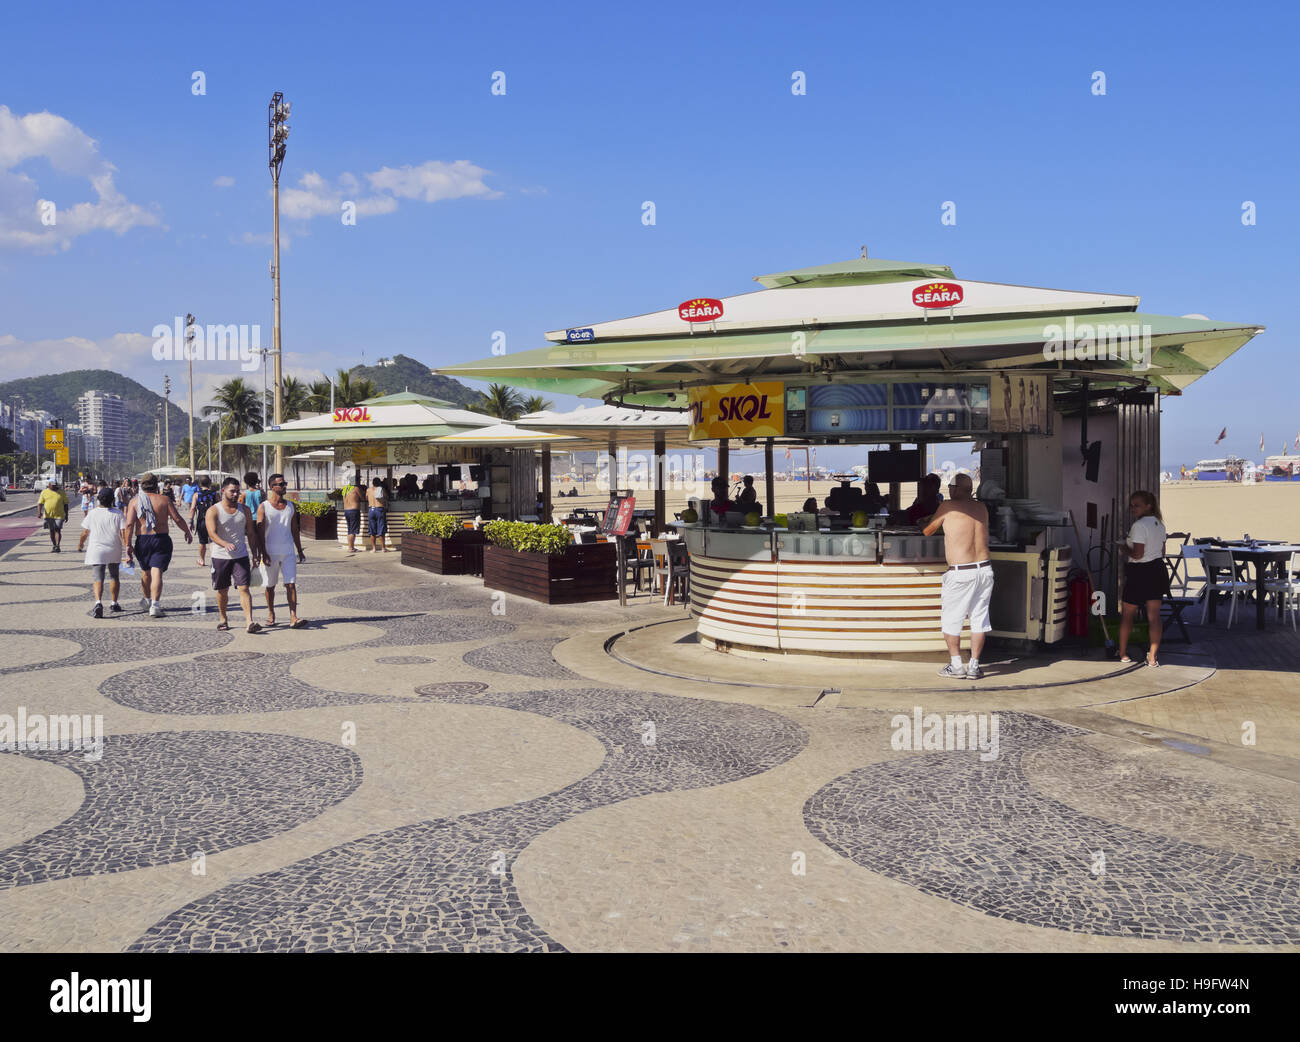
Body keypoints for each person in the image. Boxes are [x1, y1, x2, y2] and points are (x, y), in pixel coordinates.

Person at [923, 473, 993, 679]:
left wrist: (924, 522)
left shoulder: (948, 506)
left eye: (951, 487)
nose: (949, 490)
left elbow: (928, 531)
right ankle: (974, 666)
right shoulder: (982, 508)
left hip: (961, 573)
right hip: (985, 570)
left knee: (951, 620)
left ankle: (956, 666)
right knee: (979, 620)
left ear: (955, 488)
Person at [123, 471, 193, 618]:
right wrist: (187, 531)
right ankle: (155, 606)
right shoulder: (164, 500)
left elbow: (129, 525)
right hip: (160, 539)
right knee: (157, 572)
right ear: (156, 485)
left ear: (142, 486)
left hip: (142, 539)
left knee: (145, 572)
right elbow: (177, 519)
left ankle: (147, 599)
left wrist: (127, 545)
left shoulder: (134, 502)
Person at [1117, 489, 1168, 667]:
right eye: (1131, 506)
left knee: (1127, 615)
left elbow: (1138, 555)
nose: (1133, 509)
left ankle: (1122, 653)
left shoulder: (1139, 526)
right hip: (1157, 570)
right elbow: (1162, 552)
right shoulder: (1160, 525)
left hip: (1139, 572)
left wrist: (1124, 548)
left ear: (1148, 506)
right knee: (1154, 616)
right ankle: (1152, 657)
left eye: (1137, 505)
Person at [206, 476, 262, 633]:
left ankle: (249, 622)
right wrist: (224, 544)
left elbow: (251, 534)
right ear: (223, 491)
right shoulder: (214, 510)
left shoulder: (244, 510)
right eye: (232, 491)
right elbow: (211, 533)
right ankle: (223, 618)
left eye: (238, 491)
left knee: (244, 588)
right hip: (220, 556)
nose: (236, 494)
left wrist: (255, 554)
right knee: (223, 591)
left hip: (241, 556)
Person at [256, 473, 307, 628]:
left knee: (290, 584)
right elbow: (259, 532)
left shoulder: (291, 506)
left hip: (288, 552)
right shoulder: (263, 507)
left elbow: (294, 529)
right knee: (270, 586)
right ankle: (271, 614)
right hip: (270, 552)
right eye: (281, 484)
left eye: (285, 483)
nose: (285, 486)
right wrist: (262, 553)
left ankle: (293, 617)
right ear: (272, 487)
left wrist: (299, 550)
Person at [77, 487, 126, 618]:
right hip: (113, 548)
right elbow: (123, 533)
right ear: (112, 499)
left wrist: (80, 544)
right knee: (114, 576)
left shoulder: (92, 513)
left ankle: (98, 602)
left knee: (98, 578)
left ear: (99, 499)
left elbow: (85, 532)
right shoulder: (118, 513)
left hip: (96, 550)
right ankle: (114, 602)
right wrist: (128, 548)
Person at [189, 476, 219, 566]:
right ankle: (214, 560)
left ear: (199, 484)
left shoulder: (196, 495)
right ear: (210, 483)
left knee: (202, 541)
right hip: (213, 520)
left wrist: (190, 522)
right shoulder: (215, 494)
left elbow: (193, 508)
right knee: (212, 541)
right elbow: (220, 506)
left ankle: (202, 560)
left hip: (201, 520)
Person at [37, 480, 69, 552]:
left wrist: (66, 515)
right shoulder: (44, 492)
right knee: (51, 531)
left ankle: (57, 546)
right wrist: (39, 512)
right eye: (52, 485)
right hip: (48, 515)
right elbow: (40, 503)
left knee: (57, 530)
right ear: (49, 485)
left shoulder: (61, 492)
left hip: (59, 515)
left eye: (55, 485)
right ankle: (54, 545)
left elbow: (66, 504)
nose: (54, 486)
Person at [343, 474, 365, 553]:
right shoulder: (356, 489)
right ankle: (351, 548)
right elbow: (362, 498)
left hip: (346, 510)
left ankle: (350, 547)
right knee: (352, 530)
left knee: (349, 529)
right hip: (354, 510)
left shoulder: (345, 489)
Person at [366, 477, 389, 551]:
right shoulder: (381, 489)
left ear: (372, 483)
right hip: (379, 509)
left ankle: (374, 548)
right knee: (381, 529)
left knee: (372, 530)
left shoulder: (368, 490)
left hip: (371, 510)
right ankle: (383, 548)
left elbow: (366, 498)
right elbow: (386, 497)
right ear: (379, 483)